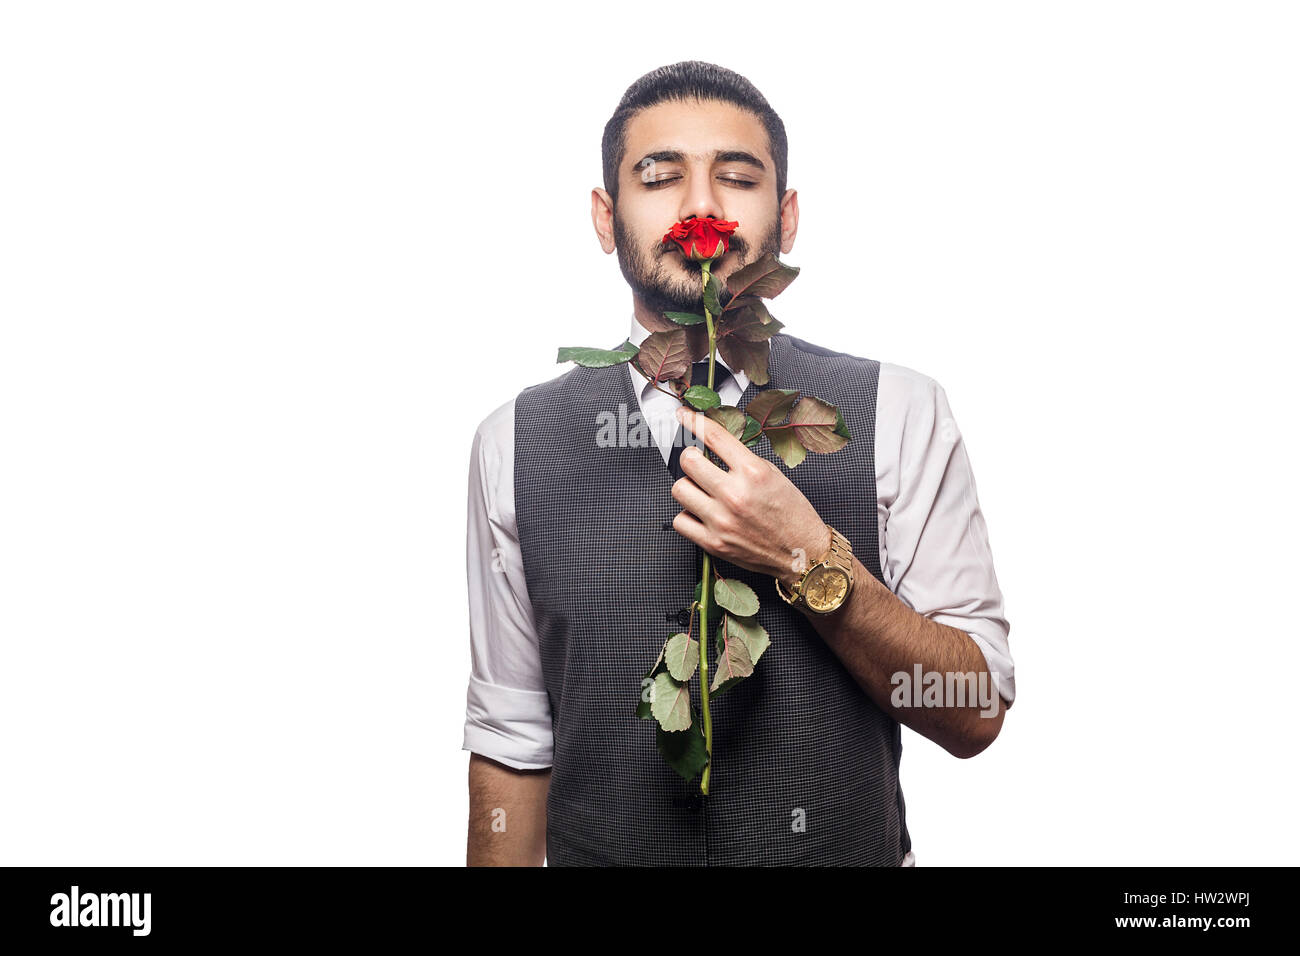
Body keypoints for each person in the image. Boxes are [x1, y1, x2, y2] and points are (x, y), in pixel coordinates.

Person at [463, 61, 1015, 866]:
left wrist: (809, 559)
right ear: (605, 215)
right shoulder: (512, 442)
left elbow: (973, 711)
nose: (701, 207)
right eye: (660, 177)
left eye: (737, 177)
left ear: (786, 218)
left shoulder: (901, 411)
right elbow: (511, 741)